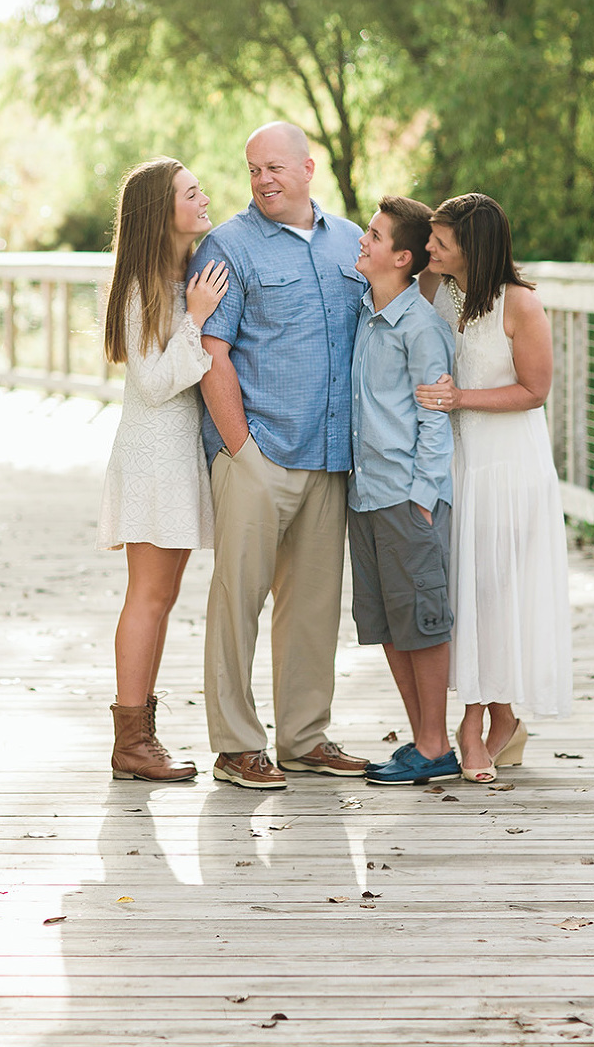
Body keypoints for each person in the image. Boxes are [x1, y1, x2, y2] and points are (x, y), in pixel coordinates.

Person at [189, 121, 369, 789]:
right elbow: (212, 350)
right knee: (238, 602)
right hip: (256, 453)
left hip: (329, 457)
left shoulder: (353, 242)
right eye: (253, 169)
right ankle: (237, 746)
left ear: (308, 167)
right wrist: (242, 451)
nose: (264, 180)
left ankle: (303, 738)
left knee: (315, 608)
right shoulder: (226, 246)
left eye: (275, 167)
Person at [415, 192, 572, 784]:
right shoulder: (439, 291)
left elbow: (534, 389)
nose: (430, 248)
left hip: (509, 466)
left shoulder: (521, 305)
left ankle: (473, 724)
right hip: (458, 462)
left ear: (472, 249)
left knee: (495, 588)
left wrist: (460, 398)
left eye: (441, 241)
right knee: (469, 589)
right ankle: (503, 718)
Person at [98, 158, 229, 781]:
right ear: (161, 211)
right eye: (189, 191)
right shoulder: (142, 289)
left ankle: (140, 737)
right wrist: (198, 318)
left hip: (179, 458)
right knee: (148, 597)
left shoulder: (184, 278)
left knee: (163, 597)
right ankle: (131, 742)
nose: (203, 197)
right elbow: (153, 385)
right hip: (153, 458)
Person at [344, 198, 461, 787]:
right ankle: (424, 743)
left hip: (405, 498)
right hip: (364, 497)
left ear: (402, 256)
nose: (362, 241)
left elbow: (435, 419)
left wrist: (421, 496)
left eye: (374, 234)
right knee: (389, 623)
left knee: (423, 620)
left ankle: (437, 744)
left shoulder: (422, 327)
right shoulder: (365, 314)